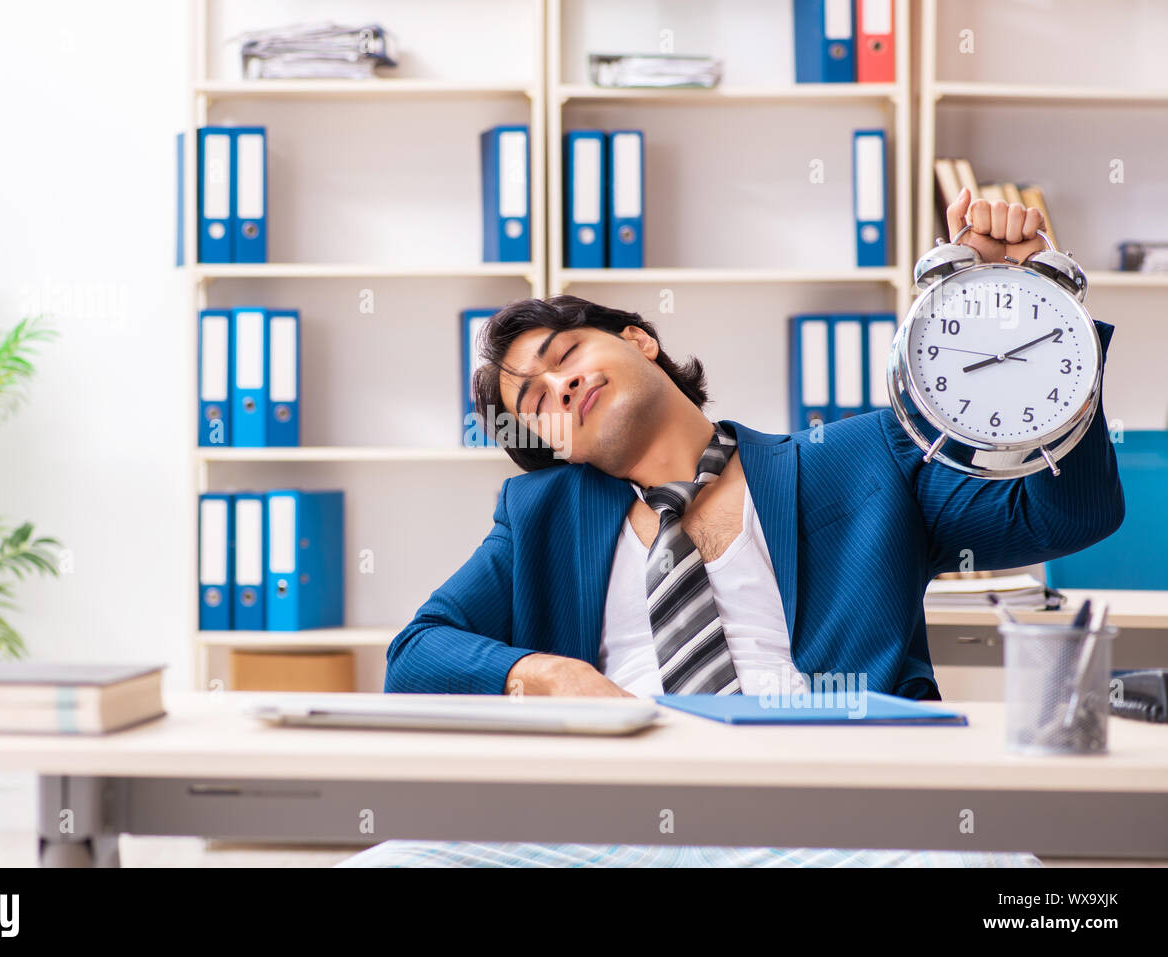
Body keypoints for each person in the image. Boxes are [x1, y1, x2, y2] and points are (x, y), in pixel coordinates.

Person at [353, 189, 1124, 868]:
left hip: (836, 809)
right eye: (539, 403)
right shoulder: (538, 518)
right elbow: (415, 655)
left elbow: (1069, 512)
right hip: (611, 818)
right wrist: (546, 675)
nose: (563, 386)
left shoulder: (861, 457)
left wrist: (1037, 301)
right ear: (554, 445)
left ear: (636, 339)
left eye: (566, 354)